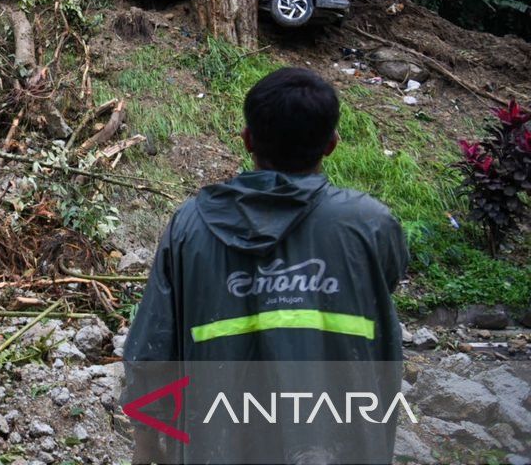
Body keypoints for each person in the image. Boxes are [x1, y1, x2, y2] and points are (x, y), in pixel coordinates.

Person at [120, 67, 409, 464]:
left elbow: (154, 344)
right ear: (332, 144)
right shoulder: (371, 225)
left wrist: (148, 442)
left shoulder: (189, 226)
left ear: (247, 139)